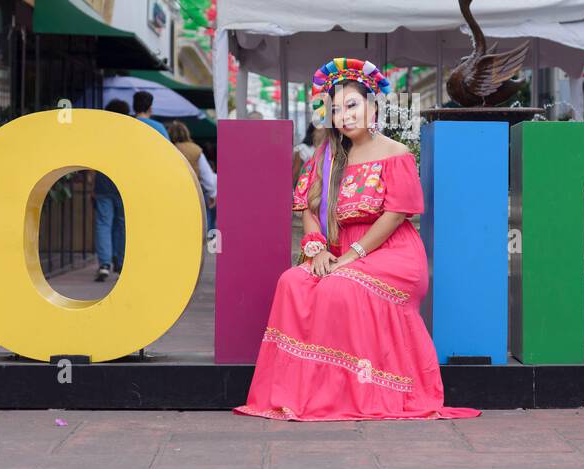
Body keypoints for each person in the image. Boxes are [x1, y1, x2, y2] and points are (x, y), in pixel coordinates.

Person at [234, 57, 481, 421]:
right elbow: (307, 206)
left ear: (373, 106)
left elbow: (397, 213)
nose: (344, 116)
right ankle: (300, 394)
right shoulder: (326, 156)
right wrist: (316, 249)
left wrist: (353, 255)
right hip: (336, 250)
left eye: (352, 105)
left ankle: (352, 393)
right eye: (335, 109)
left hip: (390, 251)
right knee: (292, 282)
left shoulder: (395, 154)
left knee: (339, 287)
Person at [93, 99, 131, 282]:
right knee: (122, 224)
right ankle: (120, 260)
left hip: (103, 182)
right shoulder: (129, 132)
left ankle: (104, 264)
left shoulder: (101, 132)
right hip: (123, 184)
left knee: (103, 223)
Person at [168, 120, 217, 232]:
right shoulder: (196, 150)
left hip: (174, 194)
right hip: (195, 193)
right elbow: (207, 177)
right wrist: (212, 194)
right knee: (201, 228)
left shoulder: (169, 149)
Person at [293, 122, 316, 187]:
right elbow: (295, 172)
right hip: (306, 185)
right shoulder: (302, 149)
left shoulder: (328, 148)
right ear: (313, 132)